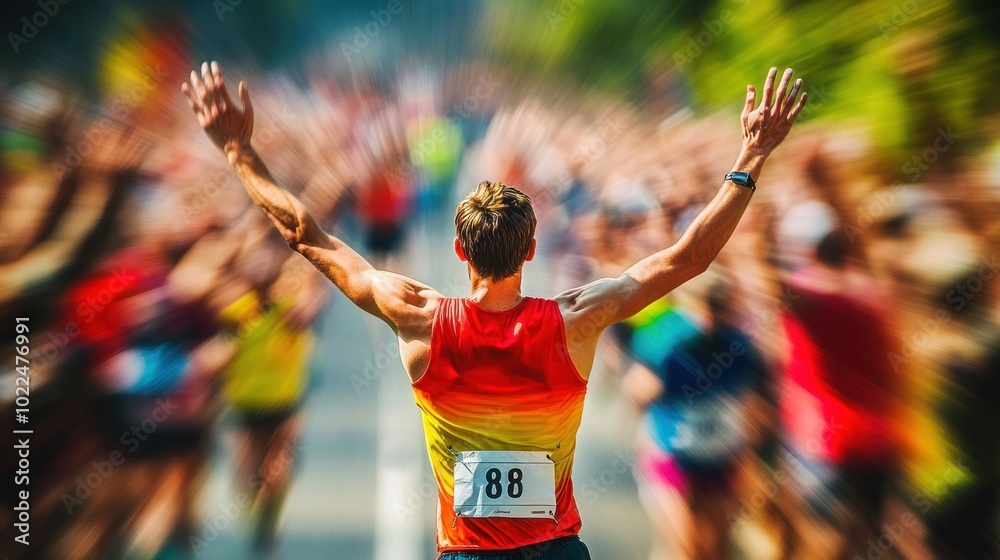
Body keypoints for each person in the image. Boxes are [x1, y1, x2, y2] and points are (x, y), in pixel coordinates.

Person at [181, 62, 807, 559]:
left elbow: (306, 233)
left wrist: (238, 152)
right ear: (532, 249)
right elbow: (687, 258)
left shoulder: (418, 317)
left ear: (458, 249)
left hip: (467, 555)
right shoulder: (576, 319)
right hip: (556, 549)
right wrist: (751, 157)